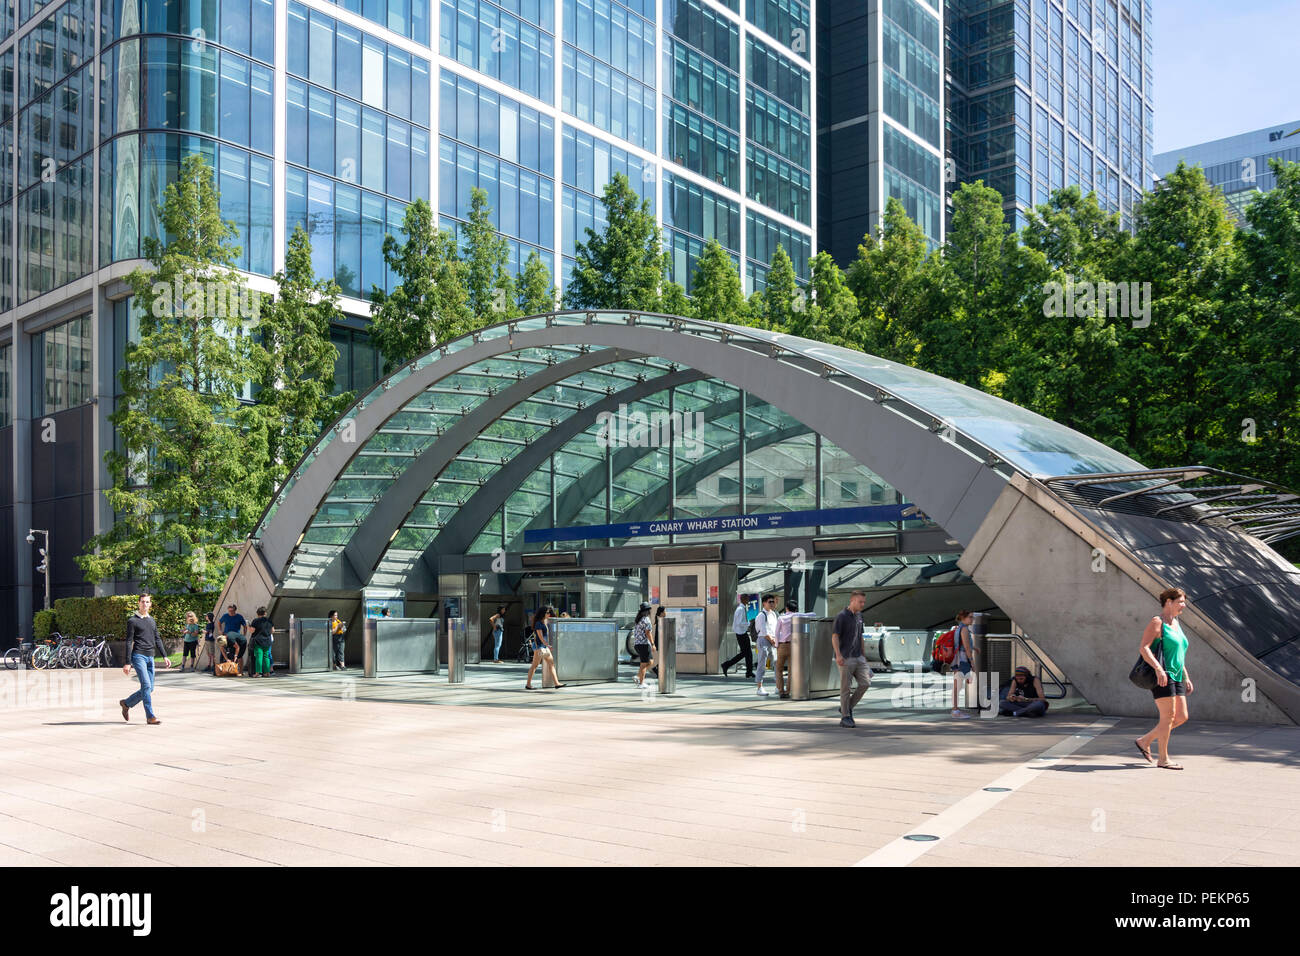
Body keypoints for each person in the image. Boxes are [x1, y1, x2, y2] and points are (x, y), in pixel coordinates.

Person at [1135, 588, 1194, 770]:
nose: (1183, 605)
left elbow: (1178, 653)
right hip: (1162, 676)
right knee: (1168, 717)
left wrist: (1186, 676)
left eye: (1184, 602)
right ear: (1168, 602)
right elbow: (1144, 648)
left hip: (1176, 675)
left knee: (1181, 716)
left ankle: (1145, 741)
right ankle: (1163, 758)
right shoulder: (1157, 622)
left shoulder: (1176, 623)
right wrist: (1159, 669)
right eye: (1180, 602)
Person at [119, 594, 170, 725]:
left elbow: (157, 638)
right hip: (138, 656)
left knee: (150, 688)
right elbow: (129, 642)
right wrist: (127, 662)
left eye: (147, 602)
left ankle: (126, 703)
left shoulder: (152, 620)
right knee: (146, 686)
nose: (145, 604)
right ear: (138, 603)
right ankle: (150, 716)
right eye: (142, 602)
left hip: (150, 656)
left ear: (150, 604)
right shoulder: (132, 621)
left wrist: (165, 656)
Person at [833, 591, 871, 728]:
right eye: (860, 602)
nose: (862, 604)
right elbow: (835, 636)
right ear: (852, 600)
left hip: (858, 656)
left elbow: (861, 636)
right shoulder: (841, 616)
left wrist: (863, 656)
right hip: (845, 657)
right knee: (845, 688)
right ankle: (845, 717)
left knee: (865, 683)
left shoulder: (860, 616)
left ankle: (846, 707)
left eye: (863, 602)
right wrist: (838, 655)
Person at [525, 607, 565, 690]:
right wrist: (547, 645)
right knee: (535, 665)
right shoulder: (539, 623)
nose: (548, 614)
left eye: (548, 612)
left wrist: (546, 645)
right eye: (547, 613)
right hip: (539, 647)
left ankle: (557, 683)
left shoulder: (544, 622)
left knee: (551, 664)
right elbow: (540, 636)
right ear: (542, 613)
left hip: (544, 647)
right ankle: (528, 684)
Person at [950, 611, 978, 719]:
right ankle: (955, 710)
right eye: (970, 617)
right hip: (962, 660)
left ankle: (955, 709)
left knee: (958, 685)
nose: (972, 619)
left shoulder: (959, 628)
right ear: (963, 618)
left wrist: (975, 648)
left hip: (958, 659)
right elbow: (966, 648)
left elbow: (963, 644)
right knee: (958, 686)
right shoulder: (965, 629)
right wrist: (973, 663)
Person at [722, 593, 754, 678]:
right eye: (747, 599)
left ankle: (748, 671)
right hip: (741, 633)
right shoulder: (740, 609)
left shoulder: (742, 608)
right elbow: (739, 623)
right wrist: (748, 623)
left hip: (742, 633)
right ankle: (727, 665)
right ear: (743, 599)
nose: (748, 600)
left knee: (747, 653)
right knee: (747, 653)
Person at [753, 593, 779, 697]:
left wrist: (775, 640)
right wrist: (772, 640)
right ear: (764, 603)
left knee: (777, 663)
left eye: (773, 601)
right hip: (764, 640)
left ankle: (778, 686)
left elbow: (776, 629)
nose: (772, 603)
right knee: (762, 664)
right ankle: (759, 687)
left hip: (773, 641)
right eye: (770, 602)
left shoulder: (773, 614)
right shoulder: (761, 615)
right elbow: (763, 631)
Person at [773, 601, 798, 699]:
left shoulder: (781, 618)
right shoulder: (797, 617)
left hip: (782, 646)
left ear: (786, 608)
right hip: (793, 646)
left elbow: (776, 633)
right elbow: (812, 614)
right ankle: (788, 691)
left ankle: (781, 691)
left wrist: (776, 645)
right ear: (795, 609)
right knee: (791, 670)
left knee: (779, 669)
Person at [631, 602, 656, 688]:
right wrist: (653, 644)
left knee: (650, 662)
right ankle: (641, 683)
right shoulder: (646, 619)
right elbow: (648, 633)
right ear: (648, 611)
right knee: (644, 663)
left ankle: (638, 676)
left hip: (638, 644)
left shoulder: (638, 619)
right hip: (644, 644)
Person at [218, 603, 248, 677]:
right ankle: (226, 670)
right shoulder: (225, 616)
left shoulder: (239, 617)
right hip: (226, 635)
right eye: (229, 611)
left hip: (235, 637)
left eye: (232, 611)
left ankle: (240, 671)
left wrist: (244, 634)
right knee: (224, 653)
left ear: (235, 610)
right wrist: (220, 630)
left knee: (239, 656)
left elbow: (245, 625)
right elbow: (219, 622)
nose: (230, 612)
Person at [248, 607, 275, 678]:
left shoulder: (255, 621)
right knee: (266, 657)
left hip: (258, 641)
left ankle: (258, 673)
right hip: (267, 641)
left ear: (257, 613)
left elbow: (252, 631)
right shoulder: (269, 621)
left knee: (259, 657)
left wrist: (249, 627)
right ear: (265, 613)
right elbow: (272, 631)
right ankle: (267, 673)